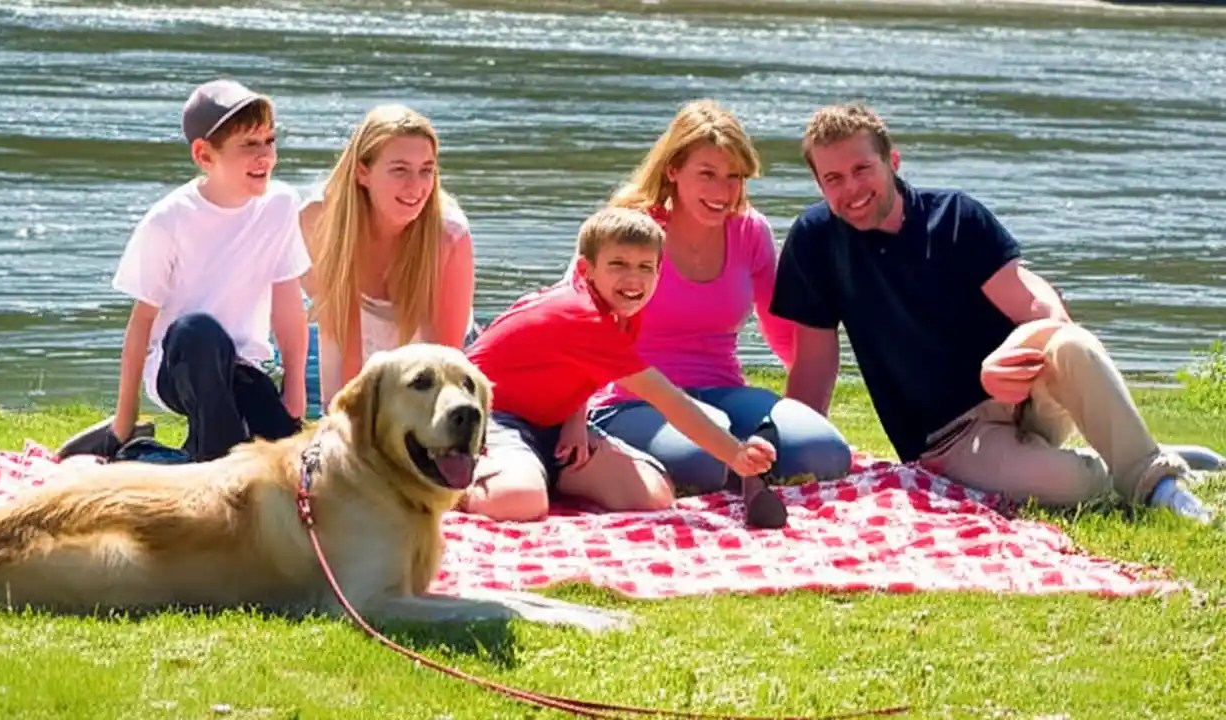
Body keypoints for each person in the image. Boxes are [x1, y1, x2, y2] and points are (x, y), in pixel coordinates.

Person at [771, 102, 1213, 523]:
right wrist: (796, 454)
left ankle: (1158, 482)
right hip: (951, 441)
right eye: (833, 178)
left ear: (893, 162)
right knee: (1081, 483)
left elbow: (1038, 306)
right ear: (819, 185)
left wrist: (1003, 365)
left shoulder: (955, 216)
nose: (851, 189)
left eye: (862, 169)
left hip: (1023, 390)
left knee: (1070, 341)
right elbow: (814, 367)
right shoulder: (815, 241)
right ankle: (1125, 453)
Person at [588, 99, 852, 501]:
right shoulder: (629, 227)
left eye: (734, 176)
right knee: (703, 459)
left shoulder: (750, 232)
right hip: (633, 399)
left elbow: (785, 337)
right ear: (673, 170)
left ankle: (749, 465)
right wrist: (567, 419)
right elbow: (577, 324)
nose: (722, 191)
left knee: (824, 452)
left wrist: (799, 418)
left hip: (722, 391)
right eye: (707, 174)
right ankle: (741, 467)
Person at [462, 207, 784, 528]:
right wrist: (735, 454)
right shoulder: (582, 314)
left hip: (554, 422)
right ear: (587, 269)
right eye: (618, 264)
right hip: (490, 415)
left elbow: (574, 367)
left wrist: (575, 417)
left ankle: (537, 471)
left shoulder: (617, 310)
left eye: (646, 267)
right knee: (520, 501)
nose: (633, 279)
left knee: (654, 496)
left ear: (660, 273)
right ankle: (449, 479)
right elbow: (667, 398)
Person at [104, 79, 310, 462]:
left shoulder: (280, 206)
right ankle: (184, 454)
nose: (264, 155)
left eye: (269, 141)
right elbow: (141, 322)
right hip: (178, 365)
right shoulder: (169, 221)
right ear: (204, 154)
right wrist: (124, 418)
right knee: (199, 332)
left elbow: (287, 299)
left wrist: (294, 389)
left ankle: (152, 458)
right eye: (249, 145)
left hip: (241, 369)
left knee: (289, 464)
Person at [300, 104, 475, 411]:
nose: (416, 186)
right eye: (400, 170)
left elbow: (445, 358)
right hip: (351, 338)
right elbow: (340, 331)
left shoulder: (449, 237)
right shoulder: (317, 219)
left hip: (432, 349)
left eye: (426, 170)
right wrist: (340, 420)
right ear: (362, 171)